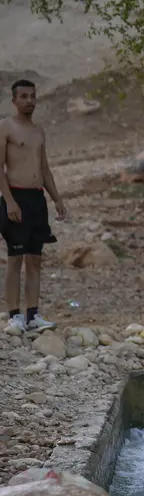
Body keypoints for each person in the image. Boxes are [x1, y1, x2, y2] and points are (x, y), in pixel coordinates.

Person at [1, 79, 66, 334]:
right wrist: (9, 201)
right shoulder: (5, 127)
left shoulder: (39, 131)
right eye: (24, 96)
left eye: (32, 96)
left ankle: (33, 315)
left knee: (35, 259)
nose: (29, 100)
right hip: (16, 197)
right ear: (14, 100)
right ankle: (14, 316)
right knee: (15, 258)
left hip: (37, 199)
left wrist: (57, 198)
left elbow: (45, 168)